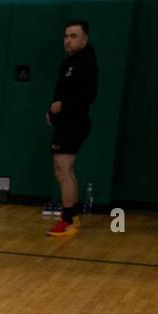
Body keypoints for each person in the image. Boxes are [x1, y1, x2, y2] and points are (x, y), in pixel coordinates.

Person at [46, 20, 98, 239]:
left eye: (74, 36)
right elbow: (62, 94)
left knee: (63, 168)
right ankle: (72, 215)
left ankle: (67, 220)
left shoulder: (86, 63)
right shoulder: (68, 63)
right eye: (66, 36)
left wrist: (62, 106)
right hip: (66, 121)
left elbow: (88, 96)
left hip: (75, 122)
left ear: (84, 39)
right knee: (62, 169)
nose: (68, 40)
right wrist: (52, 112)